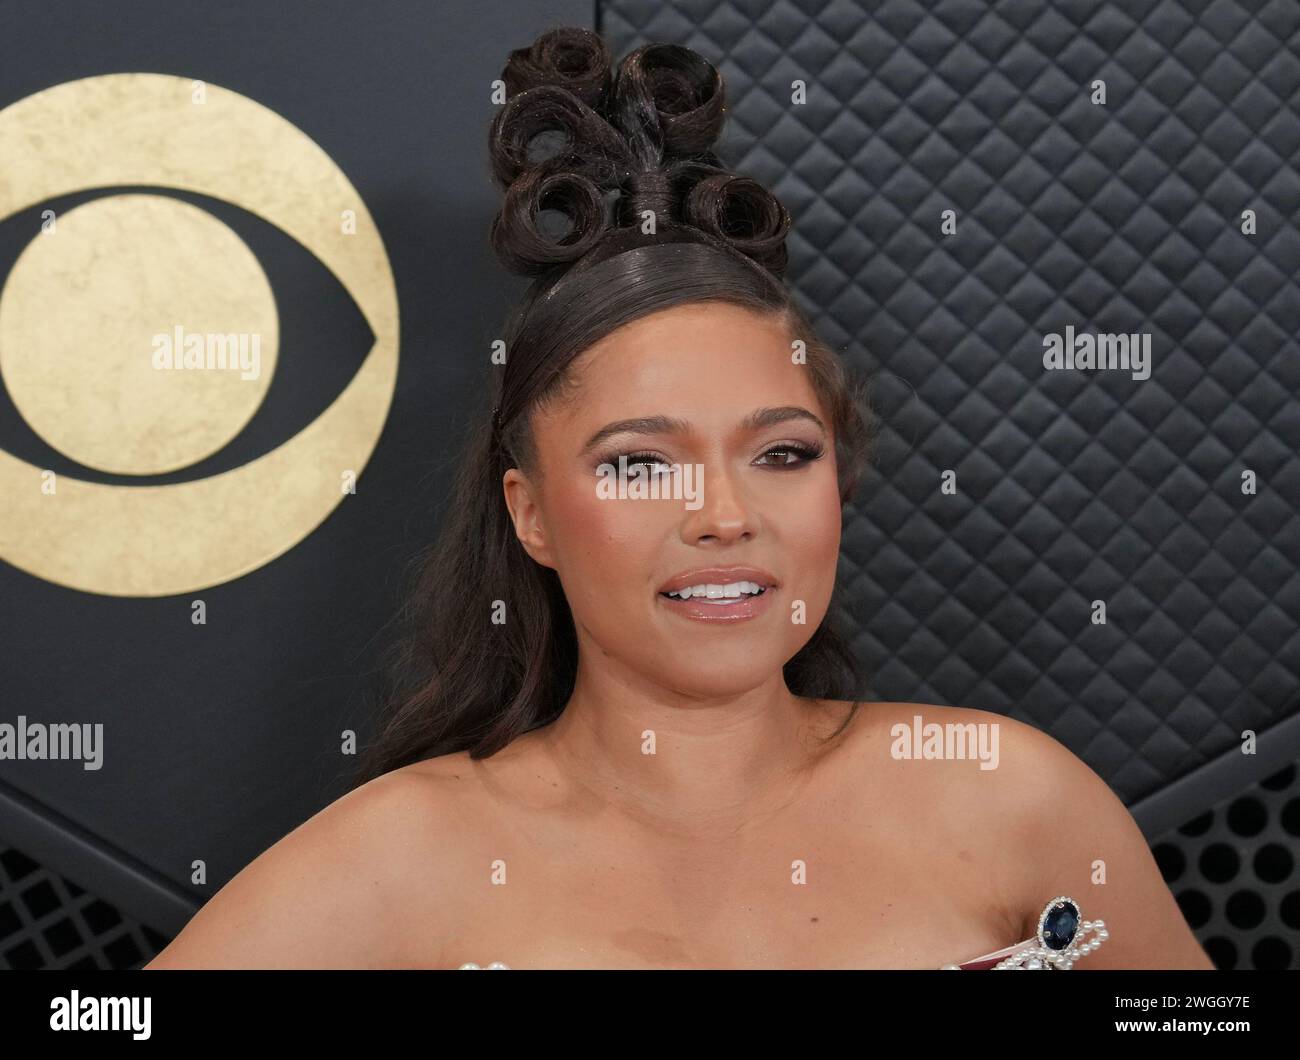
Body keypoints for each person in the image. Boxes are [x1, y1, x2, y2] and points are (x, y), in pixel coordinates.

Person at [145, 26, 1213, 970]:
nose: (722, 515)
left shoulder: (1010, 796)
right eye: (638, 464)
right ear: (529, 513)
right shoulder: (399, 855)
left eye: (782, 454)